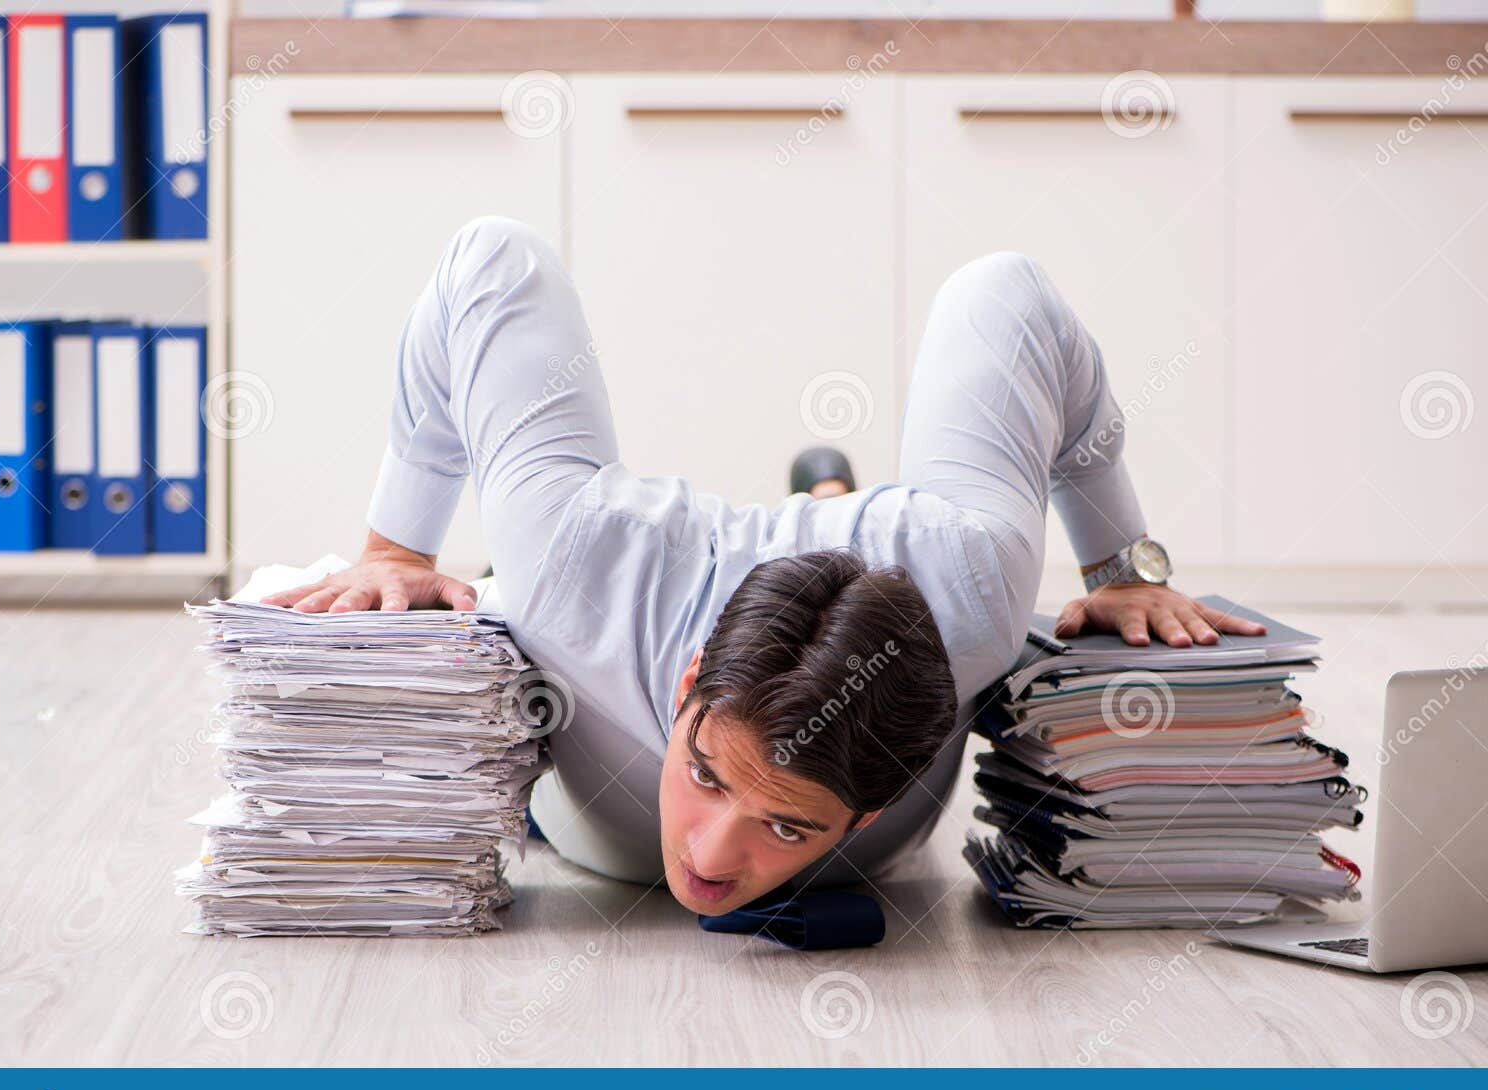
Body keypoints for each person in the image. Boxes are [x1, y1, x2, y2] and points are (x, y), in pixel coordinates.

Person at [261, 217, 1262, 917]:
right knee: (515, 601)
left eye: (787, 828)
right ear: (691, 686)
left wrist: (1117, 567)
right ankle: (825, 503)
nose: (707, 853)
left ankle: (828, 508)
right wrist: (397, 546)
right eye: (704, 774)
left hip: (880, 735)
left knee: (866, 528)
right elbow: (488, 261)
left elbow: (1014, 298)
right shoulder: (574, 556)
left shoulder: (971, 576)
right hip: (600, 750)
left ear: (866, 807)